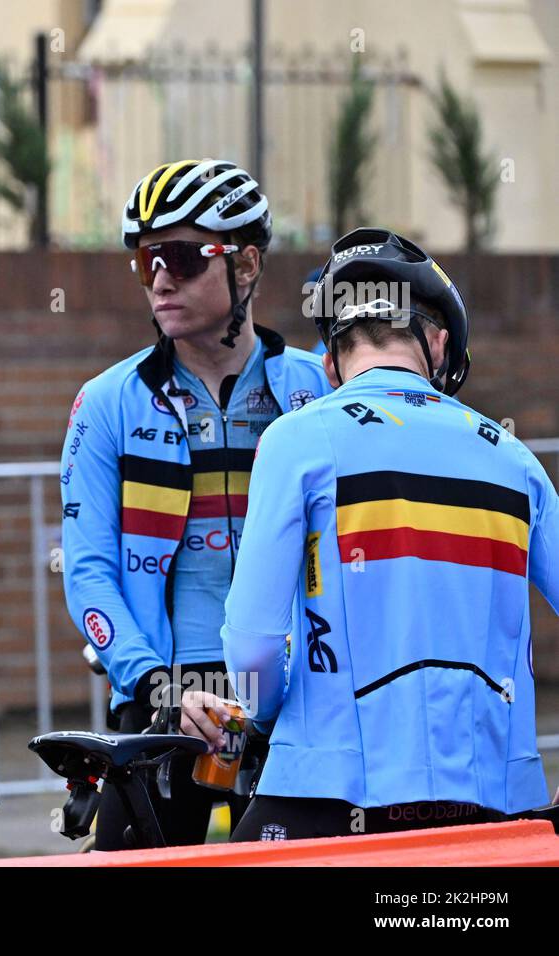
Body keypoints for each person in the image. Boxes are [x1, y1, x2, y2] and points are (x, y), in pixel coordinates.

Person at [216, 227, 552, 840]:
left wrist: (260, 717)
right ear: (439, 344)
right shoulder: (514, 459)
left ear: (330, 362)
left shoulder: (296, 439)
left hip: (326, 788)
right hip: (496, 805)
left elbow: (253, 647)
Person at [60, 159, 331, 848]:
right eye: (147, 258)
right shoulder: (107, 404)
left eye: (181, 255)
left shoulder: (317, 388)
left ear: (245, 265)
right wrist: (153, 686)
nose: (160, 277)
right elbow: (88, 571)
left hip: (296, 692)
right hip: (165, 691)